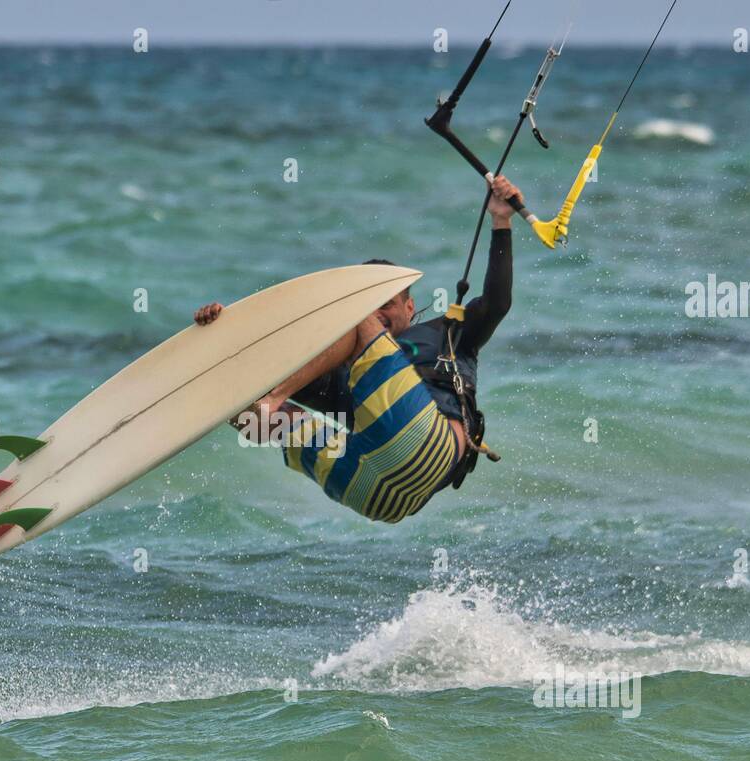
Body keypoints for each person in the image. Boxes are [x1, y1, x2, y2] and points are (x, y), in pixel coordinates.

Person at [194, 175, 519, 523]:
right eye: (373, 306)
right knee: (252, 407)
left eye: (386, 304)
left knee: (349, 316)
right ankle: (224, 384)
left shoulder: (448, 333)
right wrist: (225, 329)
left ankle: (272, 397)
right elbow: (270, 374)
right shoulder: (341, 372)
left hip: (429, 451)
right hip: (375, 496)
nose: (377, 314)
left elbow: (497, 303)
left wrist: (501, 221)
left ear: (409, 308)